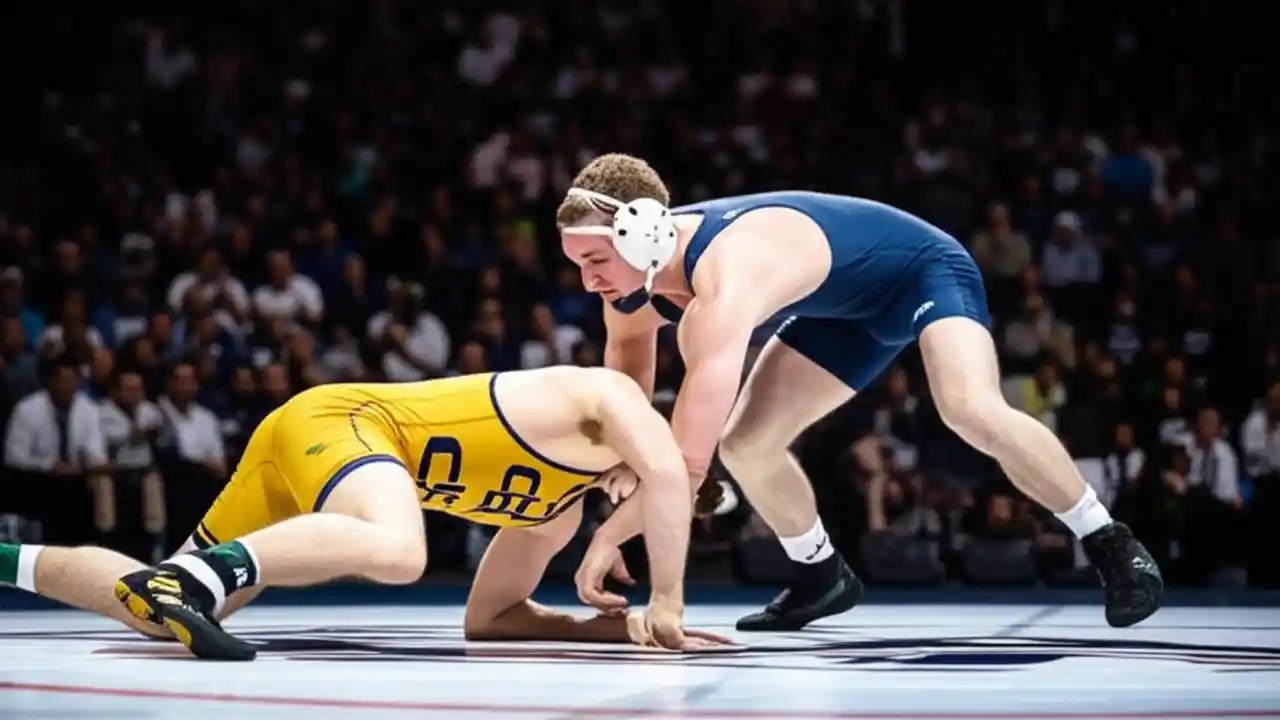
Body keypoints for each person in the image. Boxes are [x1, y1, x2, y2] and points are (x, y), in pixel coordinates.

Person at [557, 153, 1163, 631]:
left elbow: (688, 467)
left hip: (922, 270)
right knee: (747, 445)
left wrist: (607, 535)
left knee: (968, 407)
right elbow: (625, 410)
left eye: (595, 261)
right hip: (840, 309)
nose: (587, 283)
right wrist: (620, 463)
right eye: (577, 263)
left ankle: (1110, 541)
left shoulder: (728, 276)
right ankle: (822, 574)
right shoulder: (629, 297)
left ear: (641, 234)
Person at [0, 365, 728, 659]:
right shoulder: (610, 397)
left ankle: (8, 561)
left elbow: (492, 620)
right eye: (662, 502)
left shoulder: (555, 515)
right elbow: (670, 472)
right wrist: (666, 600)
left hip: (316, 454)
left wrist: (619, 627)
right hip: (343, 422)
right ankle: (194, 578)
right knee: (400, 549)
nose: (642, 505)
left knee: (162, 611)